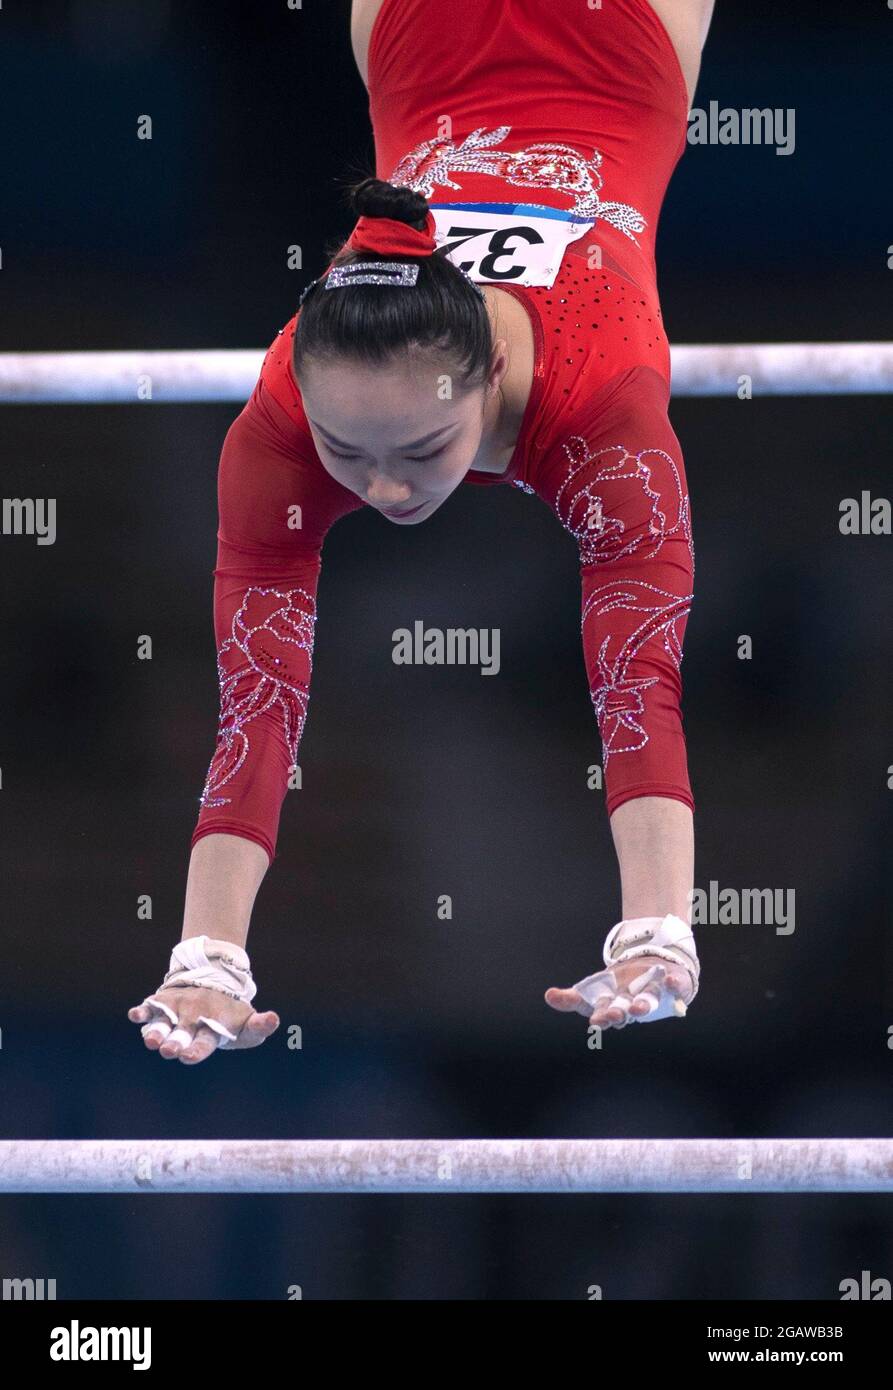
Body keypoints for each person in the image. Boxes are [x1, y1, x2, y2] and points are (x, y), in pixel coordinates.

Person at [129, 0, 716, 1064]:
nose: (387, 489)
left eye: (422, 449)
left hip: (428, 37)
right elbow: (258, 698)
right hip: (615, 53)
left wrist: (659, 927)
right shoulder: (278, 420)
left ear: (491, 376)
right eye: (348, 455)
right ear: (304, 398)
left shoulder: (603, 413)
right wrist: (203, 955)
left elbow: (639, 683)